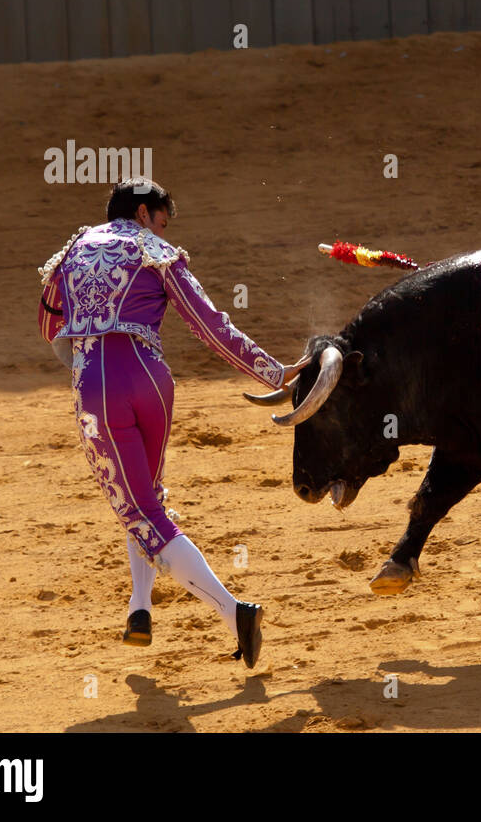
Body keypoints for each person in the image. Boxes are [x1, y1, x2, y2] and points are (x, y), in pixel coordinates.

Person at [37, 179, 309, 668]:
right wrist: (271, 369)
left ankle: (234, 611)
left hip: (98, 385)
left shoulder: (75, 249)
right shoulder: (155, 250)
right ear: (143, 213)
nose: (164, 229)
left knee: (140, 510)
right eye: (162, 219)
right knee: (147, 496)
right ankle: (139, 609)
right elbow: (208, 324)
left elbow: (48, 323)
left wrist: (83, 355)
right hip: (153, 381)